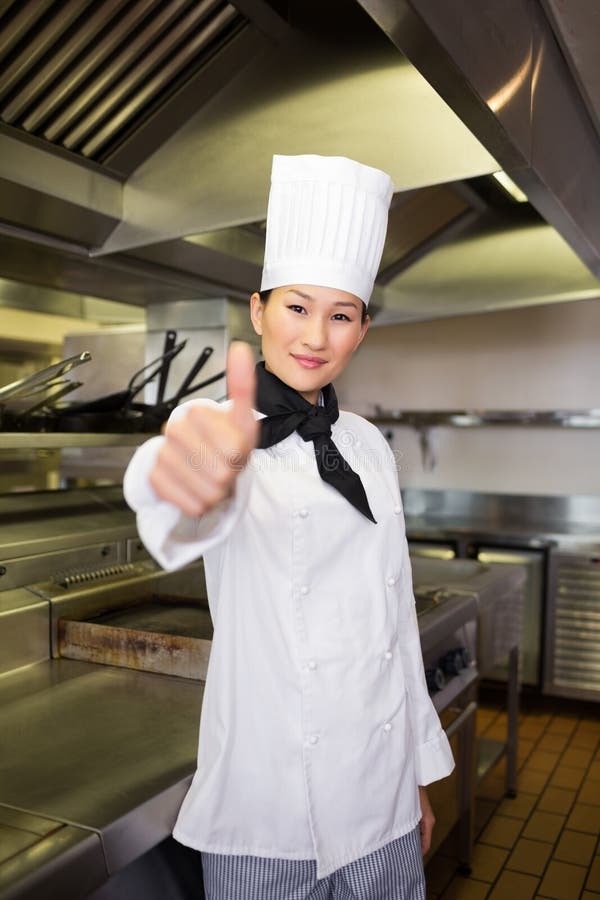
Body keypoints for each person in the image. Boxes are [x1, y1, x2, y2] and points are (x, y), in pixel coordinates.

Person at [123, 154, 454, 900]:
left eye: (341, 315)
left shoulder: (368, 446)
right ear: (258, 310)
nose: (316, 336)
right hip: (267, 812)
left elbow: (396, 628)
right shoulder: (218, 427)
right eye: (298, 308)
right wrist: (182, 480)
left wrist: (415, 783)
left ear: (362, 330)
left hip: (382, 804)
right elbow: (178, 501)